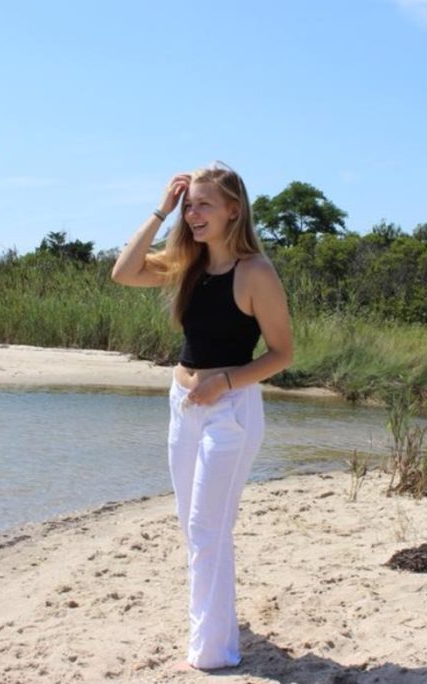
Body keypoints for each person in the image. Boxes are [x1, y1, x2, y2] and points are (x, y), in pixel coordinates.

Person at [111, 163, 293, 670]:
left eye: (203, 204)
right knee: (195, 528)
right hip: (183, 403)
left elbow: (281, 353)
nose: (193, 214)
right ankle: (212, 624)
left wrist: (224, 383)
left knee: (207, 527)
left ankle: (213, 652)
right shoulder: (187, 263)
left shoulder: (255, 272)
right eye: (189, 204)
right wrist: (160, 209)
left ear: (233, 209)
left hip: (230, 410)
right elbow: (123, 271)